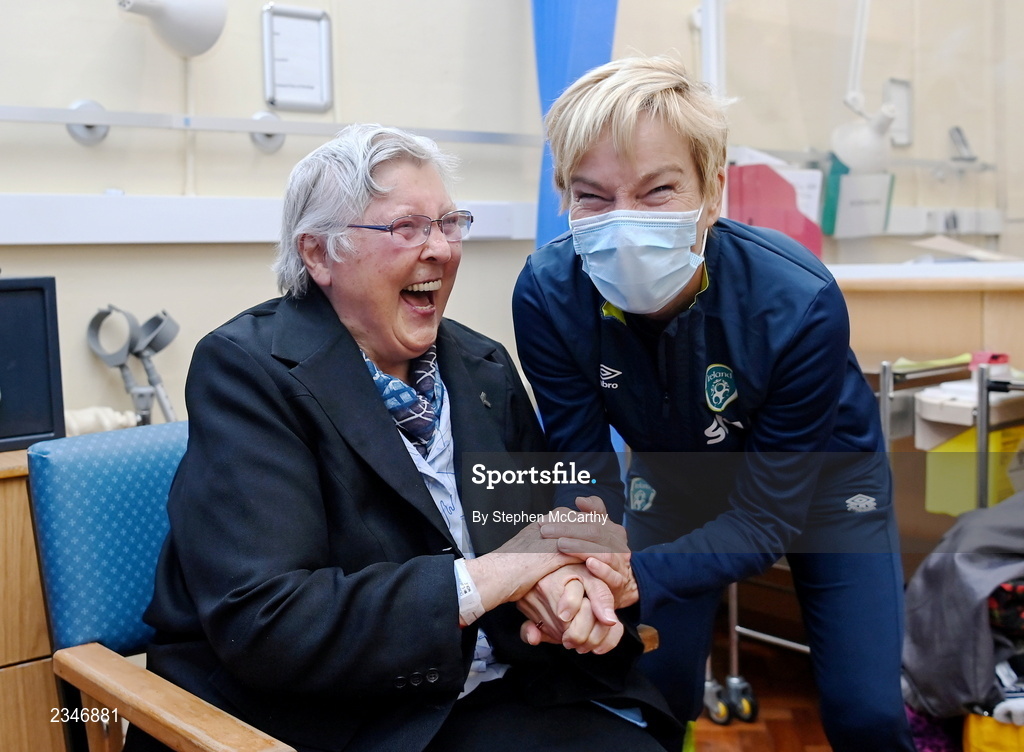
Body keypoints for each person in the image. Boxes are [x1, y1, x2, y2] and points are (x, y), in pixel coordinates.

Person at [125, 124, 680, 752]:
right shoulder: (248, 373)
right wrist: (513, 568)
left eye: (449, 223)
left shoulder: (482, 367)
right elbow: (271, 622)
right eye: (407, 228)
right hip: (340, 719)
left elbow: (542, 525)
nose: (441, 249)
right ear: (318, 254)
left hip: (498, 685)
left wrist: (586, 590)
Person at [512, 56, 917, 751]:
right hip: (678, 480)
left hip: (826, 484)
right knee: (654, 690)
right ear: (564, 200)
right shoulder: (548, 296)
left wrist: (633, 574)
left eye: (658, 189)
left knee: (868, 714)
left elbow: (764, 518)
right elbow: (584, 469)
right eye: (593, 196)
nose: (625, 221)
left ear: (711, 192)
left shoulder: (797, 302)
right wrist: (589, 559)